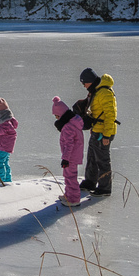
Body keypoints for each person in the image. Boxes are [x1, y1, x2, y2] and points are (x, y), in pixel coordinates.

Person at [75, 68, 116, 196]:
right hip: (97, 130)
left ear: (90, 81)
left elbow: (110, 115)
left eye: (84, 83)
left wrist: (107, 135)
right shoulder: (96, 91)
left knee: (102, 160)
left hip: (104, 132)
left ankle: (105, 188)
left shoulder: (104, 93)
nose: (84, 86)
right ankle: (90, 182)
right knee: (92, 157)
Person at [51, 95, 85, 206]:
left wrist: (65, 158)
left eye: (56, 116)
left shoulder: (68, 127)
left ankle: (74, 199)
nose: (56, 119)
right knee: (68, 176)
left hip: (70, 157)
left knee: (70, 177)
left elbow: (69, 144)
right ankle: (68, 195)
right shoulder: (73, 123)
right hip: (72, 156)